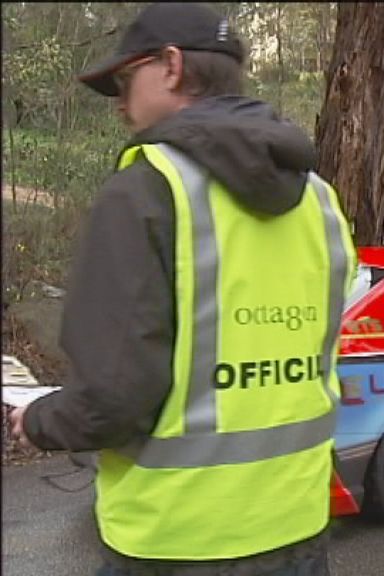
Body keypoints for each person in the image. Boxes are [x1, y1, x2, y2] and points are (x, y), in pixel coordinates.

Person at [8, 3, 356, 574]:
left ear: (170, 66)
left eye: (125, 81)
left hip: (174, 541)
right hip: (297, 528)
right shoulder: (320, 201)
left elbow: (113, 400)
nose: (120, 104)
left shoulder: (144, 191)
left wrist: (40, 420)